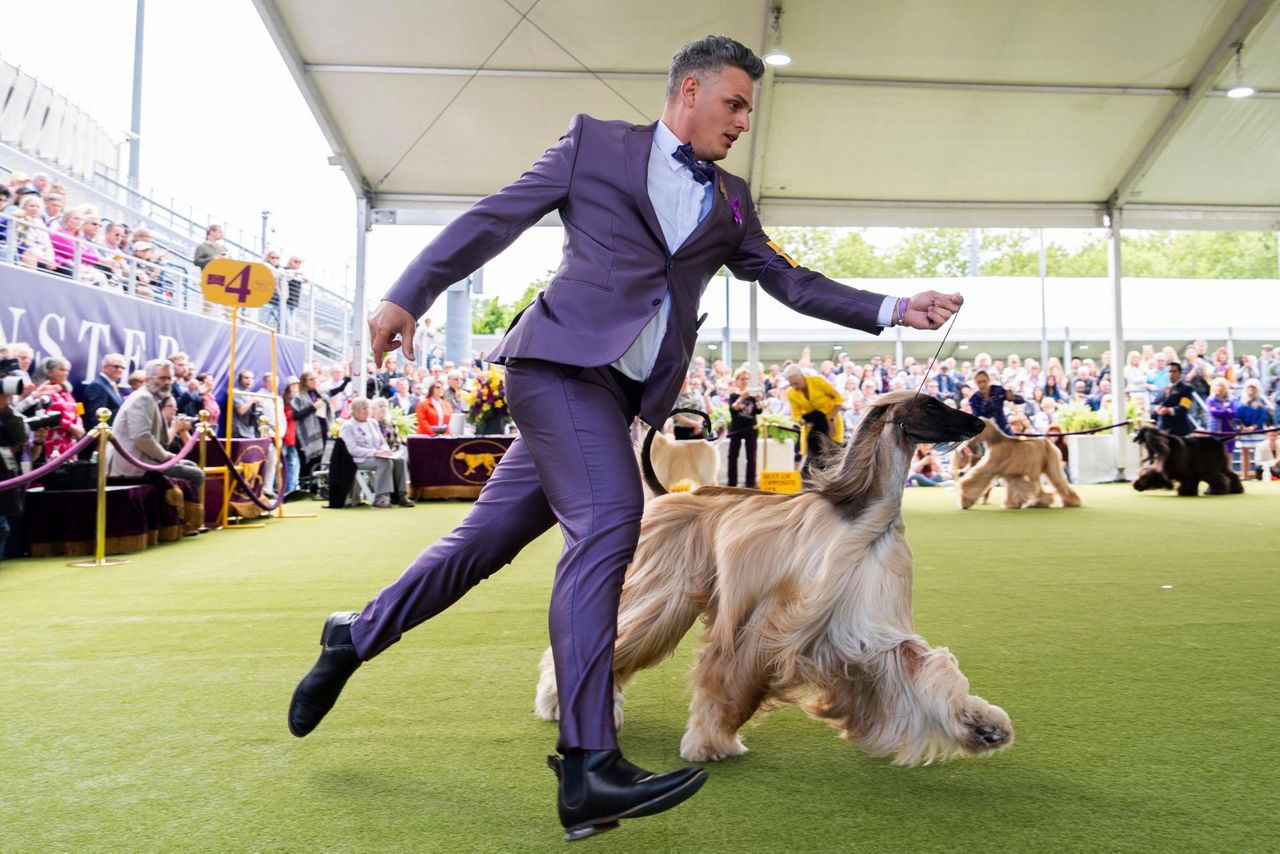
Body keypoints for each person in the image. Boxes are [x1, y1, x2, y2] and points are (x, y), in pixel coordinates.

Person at [286, 35, 961, 841]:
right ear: (689, 92)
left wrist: (894, 308)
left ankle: (352, 635)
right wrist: (407, 296)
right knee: (609, 525)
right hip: (555, 367)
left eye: (749, 108)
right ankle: (587, 764)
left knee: (482, 544)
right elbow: (493, 218)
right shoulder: (593, 145)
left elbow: (791, 279)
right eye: (735, 103)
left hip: (619, 397)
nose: (744, 120)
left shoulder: (734, 200)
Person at [107, 359, 205, 490]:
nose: (167, 383)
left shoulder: (151, 397)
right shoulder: (143, 398)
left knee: (191, 466)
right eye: (163, 378)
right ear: (148, 380)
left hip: (141, 461)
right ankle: (181, 510)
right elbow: (141, 437)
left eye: (170, 378)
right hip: (133, 467)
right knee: (196, 475)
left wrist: (166, 456)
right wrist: (165, 456)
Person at [339, 398, 413, 508]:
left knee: (399, 460)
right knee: (384, 462)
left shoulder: (372, 422)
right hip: (359, 459)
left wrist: (385, 450)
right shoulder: (348, 426)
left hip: (376, 456)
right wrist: (375, 452)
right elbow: (353, 449)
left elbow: (382, 442)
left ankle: (401, 496)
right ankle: (381, 498)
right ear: (356, 410)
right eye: (364, 408)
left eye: (368, 408)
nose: (367, 411)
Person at [785, 364, 843, 475]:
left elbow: (838, 398)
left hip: (831, 420)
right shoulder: (791, 393)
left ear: (802, 376)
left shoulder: (817, 381)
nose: (794, 386)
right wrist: (805, 422)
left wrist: (832, 419)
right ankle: (812, 480)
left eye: (796, 383)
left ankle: (836, 479)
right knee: (814, 454)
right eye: (791, 384)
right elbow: (796, 415)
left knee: (834, 451)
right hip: (813, 425)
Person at [290, 370, 328, 486]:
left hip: (321, 431)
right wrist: (312, 407)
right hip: (306, 434)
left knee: (319, 460)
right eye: (311, 379)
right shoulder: (299, 397)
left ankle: (316, 486)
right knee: (307, 461)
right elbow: (295, 415)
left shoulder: (321, 394)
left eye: (316, 378)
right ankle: (304, 485)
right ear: (304, 381)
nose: (314, 381)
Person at [726, 368, 759, 488]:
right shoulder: (734, 395)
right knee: (732, 456)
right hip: (736, 429)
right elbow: (732, 409)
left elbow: (758, 411)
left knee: (751, 457)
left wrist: (758, 401)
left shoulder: (753, 395)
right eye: (742, 378)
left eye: (747, 379)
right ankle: (732, 484)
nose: (745, 381)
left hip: (751, 429)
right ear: (737, 380)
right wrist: (741, 398)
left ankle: (750, 484)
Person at [77, 353, 128, 425]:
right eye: (116, 366)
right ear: (105, 368)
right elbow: (97, 417)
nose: (120, 369)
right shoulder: (97, 386)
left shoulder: (111, 385)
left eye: (122, 368)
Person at [968, 370, 1024, 435]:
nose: (982, 384)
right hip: (987, 434)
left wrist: (1013, 398)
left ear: (989, 380)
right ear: (975, 383)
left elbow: (1021, 400)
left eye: (984, 381)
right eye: (979, 382)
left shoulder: (998, 390)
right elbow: (977, 417)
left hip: (1004, 430)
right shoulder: (974, 399)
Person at [1152, 361, 1195, 437]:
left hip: (1179, 430)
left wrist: (1169, 410)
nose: (1171, 374)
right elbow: (1154, 404)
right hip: (1162, 429)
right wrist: (1156, 408)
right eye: (1169, 371)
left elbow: (1184, 408)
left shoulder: (1186, 388)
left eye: (1174, 371)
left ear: (1180, 373)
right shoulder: (1163, 389)